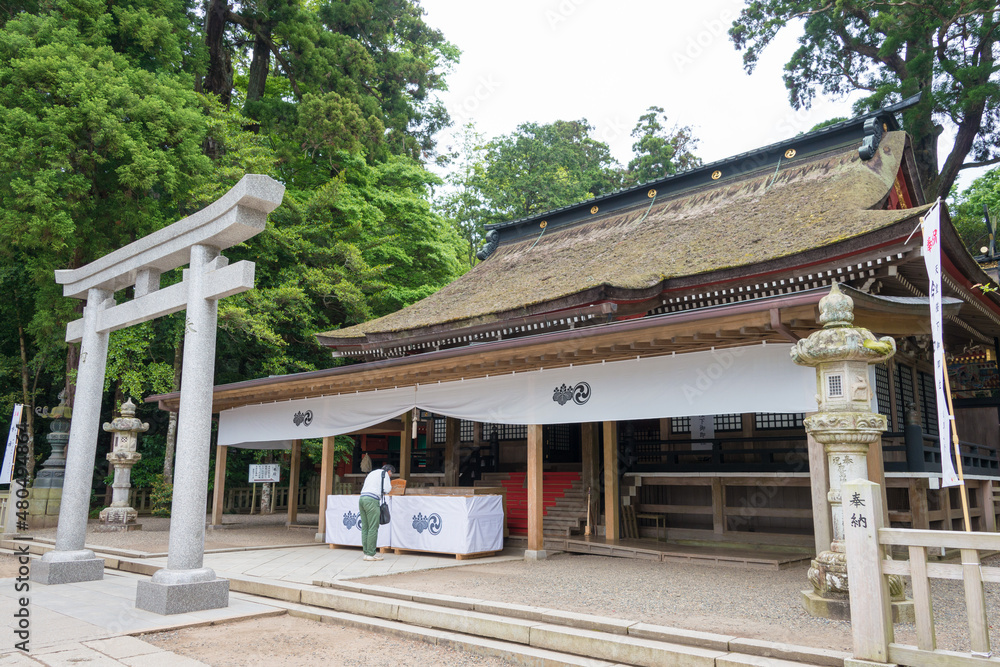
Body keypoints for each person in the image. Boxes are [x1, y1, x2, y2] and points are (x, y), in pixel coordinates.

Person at [358, 463, 394, 561]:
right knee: (373, 527)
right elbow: (387, 489)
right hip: (372, 500)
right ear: (389, 471)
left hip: (362, 499)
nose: (390, 476)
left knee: (365, 527)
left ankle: (366, 553)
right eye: (391, 474)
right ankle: (370, 553)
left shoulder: (372, 473)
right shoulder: (384, 474)